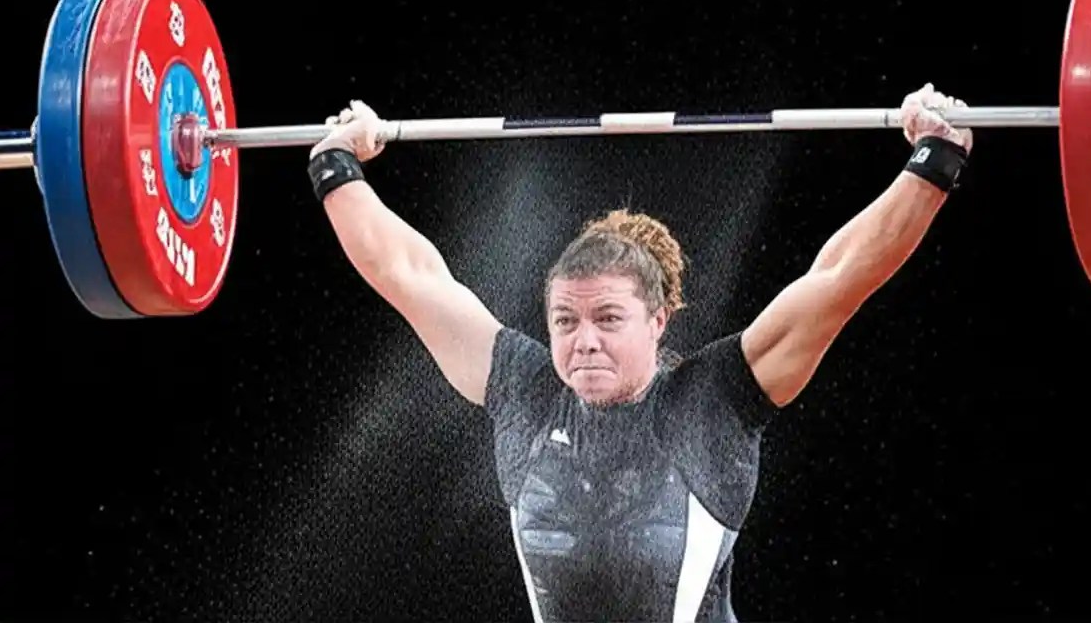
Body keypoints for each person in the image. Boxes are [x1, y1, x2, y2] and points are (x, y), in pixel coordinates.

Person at [304, 83, 973, 622]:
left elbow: (840, 277)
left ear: (659, 320)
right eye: (563, 319)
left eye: (608, 318)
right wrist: (336, 164)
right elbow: (411, 276)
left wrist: (934, 159)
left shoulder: (716, 401)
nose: (582, 339)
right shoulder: (523, 388)